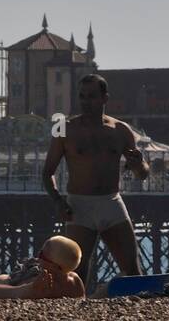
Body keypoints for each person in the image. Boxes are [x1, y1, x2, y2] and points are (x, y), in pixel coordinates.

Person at [42, 74, 149, 286]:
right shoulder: (64, 128)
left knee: (132, 270)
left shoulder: (120, 130)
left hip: (111, 202)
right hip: (79, 205)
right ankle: (74, 314)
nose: (85, 102)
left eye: (91, 96)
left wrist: (138, 165)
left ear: (104, 98)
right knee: (77, 273)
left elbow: (143, 173)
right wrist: (57, 201)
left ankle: (140, 312)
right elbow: (47, 172)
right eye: (82, 96)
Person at [0, 236, 85, 299]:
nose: (37, 258)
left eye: (41, 255)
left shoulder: (38, 284)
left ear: (54, 266)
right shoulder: (75, 281)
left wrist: (26, 289)